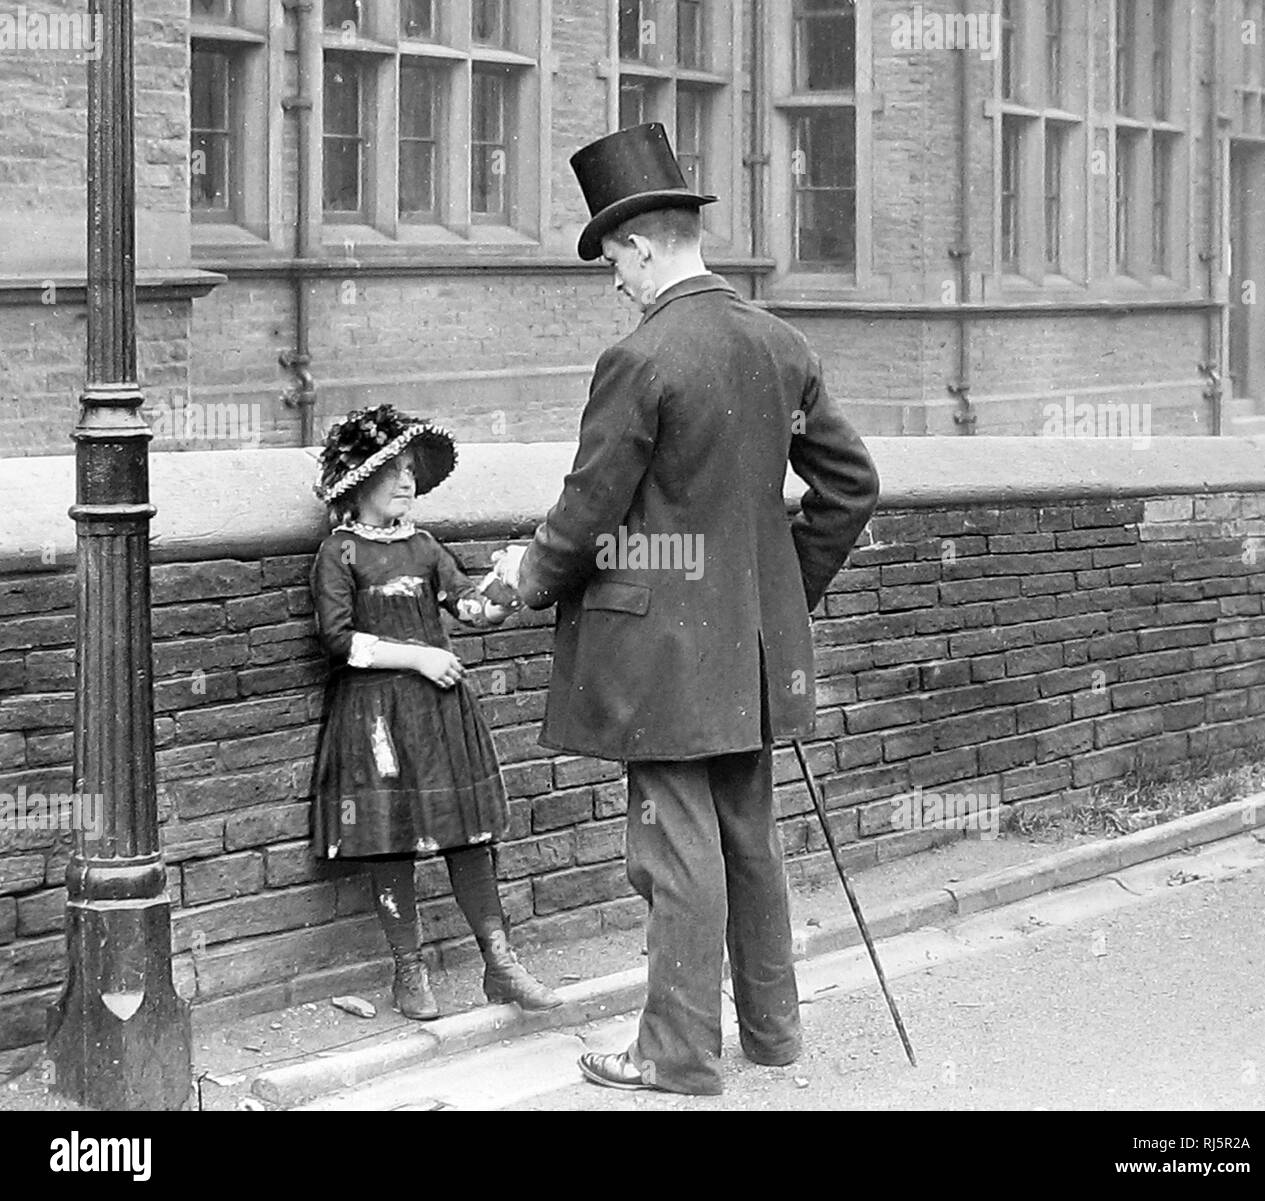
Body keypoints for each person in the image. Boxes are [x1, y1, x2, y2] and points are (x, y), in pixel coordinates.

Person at [494, 124, 880, 1094]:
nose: (612, 281)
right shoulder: (780, 344)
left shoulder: (640, 359)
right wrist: (781, 590)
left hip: (661, 656)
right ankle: (774, 1030)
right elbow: (851, 487)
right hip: (748, 649)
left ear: (642, 244)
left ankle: (673, 1053)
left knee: (675, 848)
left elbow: (586, 513)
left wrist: (518, 582)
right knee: (746, 832)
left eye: (611, 260)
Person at [309, 404, 560, 1020]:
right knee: (391, 842)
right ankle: (408, 970)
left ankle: (500, 965)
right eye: (391, 471)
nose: (406, 482)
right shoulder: (340, 554)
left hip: (440, 715)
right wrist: (419, 658)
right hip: (375, 722)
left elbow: (469, 608)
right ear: (358, 483)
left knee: (465, 836)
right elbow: (338, 641)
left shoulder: (424, 548)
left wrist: (509, 588)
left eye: (411, 471)